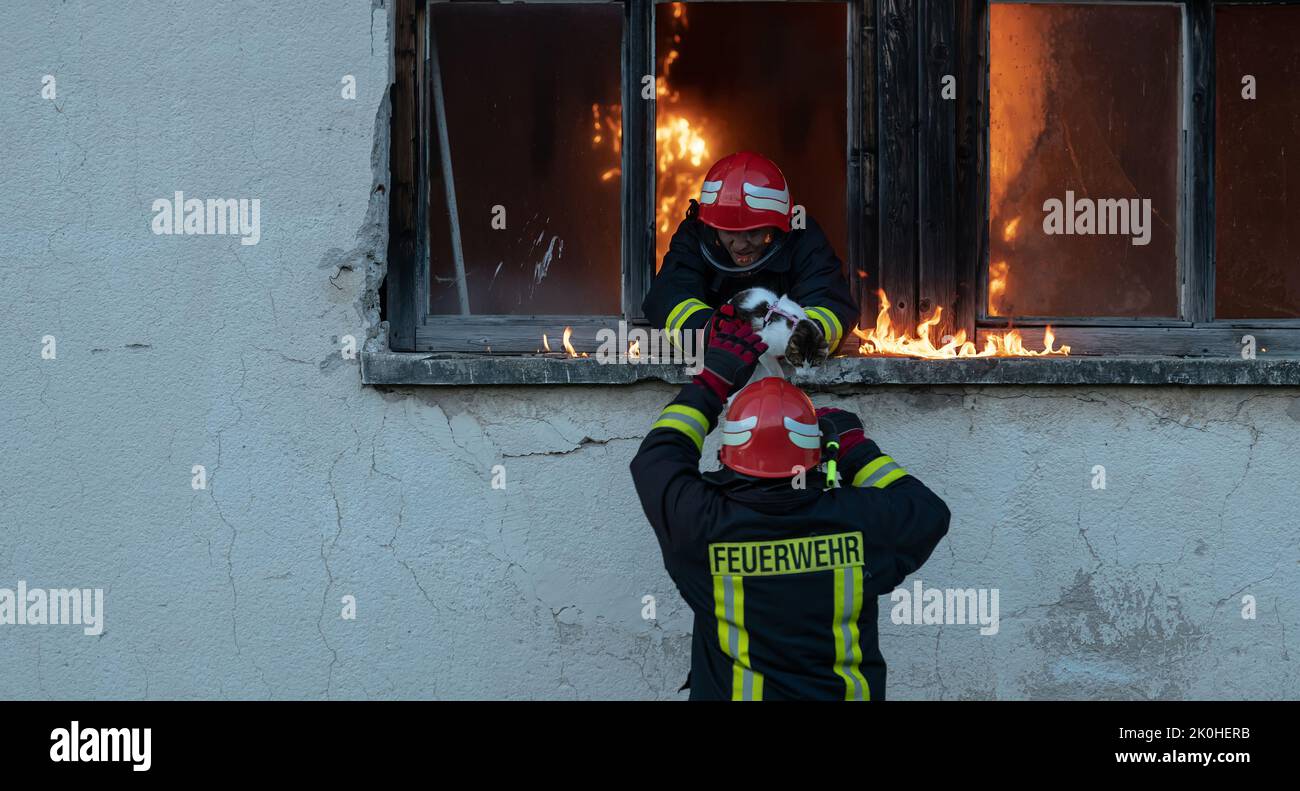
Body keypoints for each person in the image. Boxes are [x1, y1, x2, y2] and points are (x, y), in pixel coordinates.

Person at [629, 305, 950, 700]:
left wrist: (712, 380)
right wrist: (856, 451)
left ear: (728, 456)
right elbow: (928, 511)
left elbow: (658, 457)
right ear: (816, 458)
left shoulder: (700, 523)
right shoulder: (860, 520)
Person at [642, 151, 860, 364]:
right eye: (728, 232)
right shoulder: (696, 235)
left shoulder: (801, 235)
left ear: (779, 226)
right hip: (717, 367)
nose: (739, 245)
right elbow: (668, 297)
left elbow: (832, 304)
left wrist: (801, 335)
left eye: (754, 233)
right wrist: (711, 331)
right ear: (710, 226)